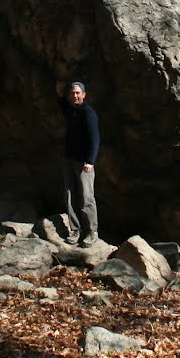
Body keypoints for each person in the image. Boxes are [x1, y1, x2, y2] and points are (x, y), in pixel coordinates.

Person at [57, 80, 100, 246]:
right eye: (72, 93)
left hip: (84, 163)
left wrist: (90, 161)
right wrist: (60, 94)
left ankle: (92, 232)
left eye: (78, 93)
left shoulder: (88, 113)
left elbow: (95, 139)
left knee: (87, 197)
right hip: (69, 160)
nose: (75, 96)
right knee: (69, 195)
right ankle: (75, 230)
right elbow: (63, 107)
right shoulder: (72, 111)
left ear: (84, 94)